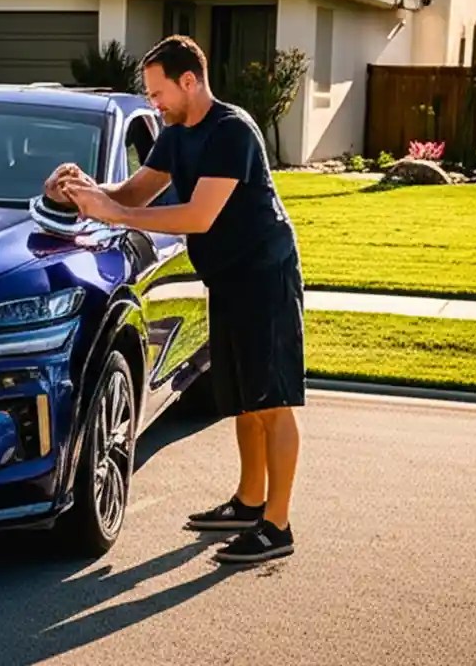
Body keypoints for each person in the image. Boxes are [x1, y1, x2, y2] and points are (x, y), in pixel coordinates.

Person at [46, 35, 304, 565]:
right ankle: (249, 502)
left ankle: (277, 526)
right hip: (228, 278)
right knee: (245, 401)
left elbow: (197, 216)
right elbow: (135, 193)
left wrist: (113, 215)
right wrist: (79, 190)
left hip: (265, 278)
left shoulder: (232, 131)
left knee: (272, 401)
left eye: (158, 92)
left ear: (190, 81)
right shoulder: (174, 133)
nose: (152, 103)